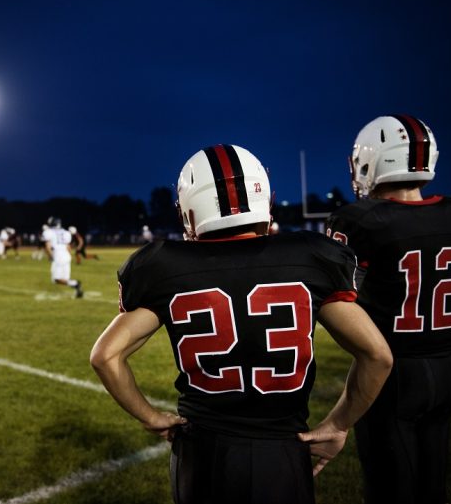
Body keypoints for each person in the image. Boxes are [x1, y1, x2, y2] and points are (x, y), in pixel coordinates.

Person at [90, 144, 393, 504]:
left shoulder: (165, 266)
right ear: (264, 199)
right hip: (281, 451)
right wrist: (338, 425)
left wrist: (150, 416)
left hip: (200, 453)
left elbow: (105, 356)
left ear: (188, 210)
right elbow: (378, 356)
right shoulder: (310, 258)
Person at [326, 115, 451, 504]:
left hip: (391, 373)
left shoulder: (363, 221)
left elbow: (341, 299)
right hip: (447, 371)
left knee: (390, 488)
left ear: (373, 161)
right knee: (431, 486)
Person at [43, 217, 83, 298]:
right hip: (66, 256)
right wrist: (70, 256)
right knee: (65, 279)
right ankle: (77, 289)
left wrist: (51, 256)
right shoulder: (66, 232)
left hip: (58, 256)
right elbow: (68, 247)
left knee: (56, 279)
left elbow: (48, 246)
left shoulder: (48, 232)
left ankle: (76, 284)